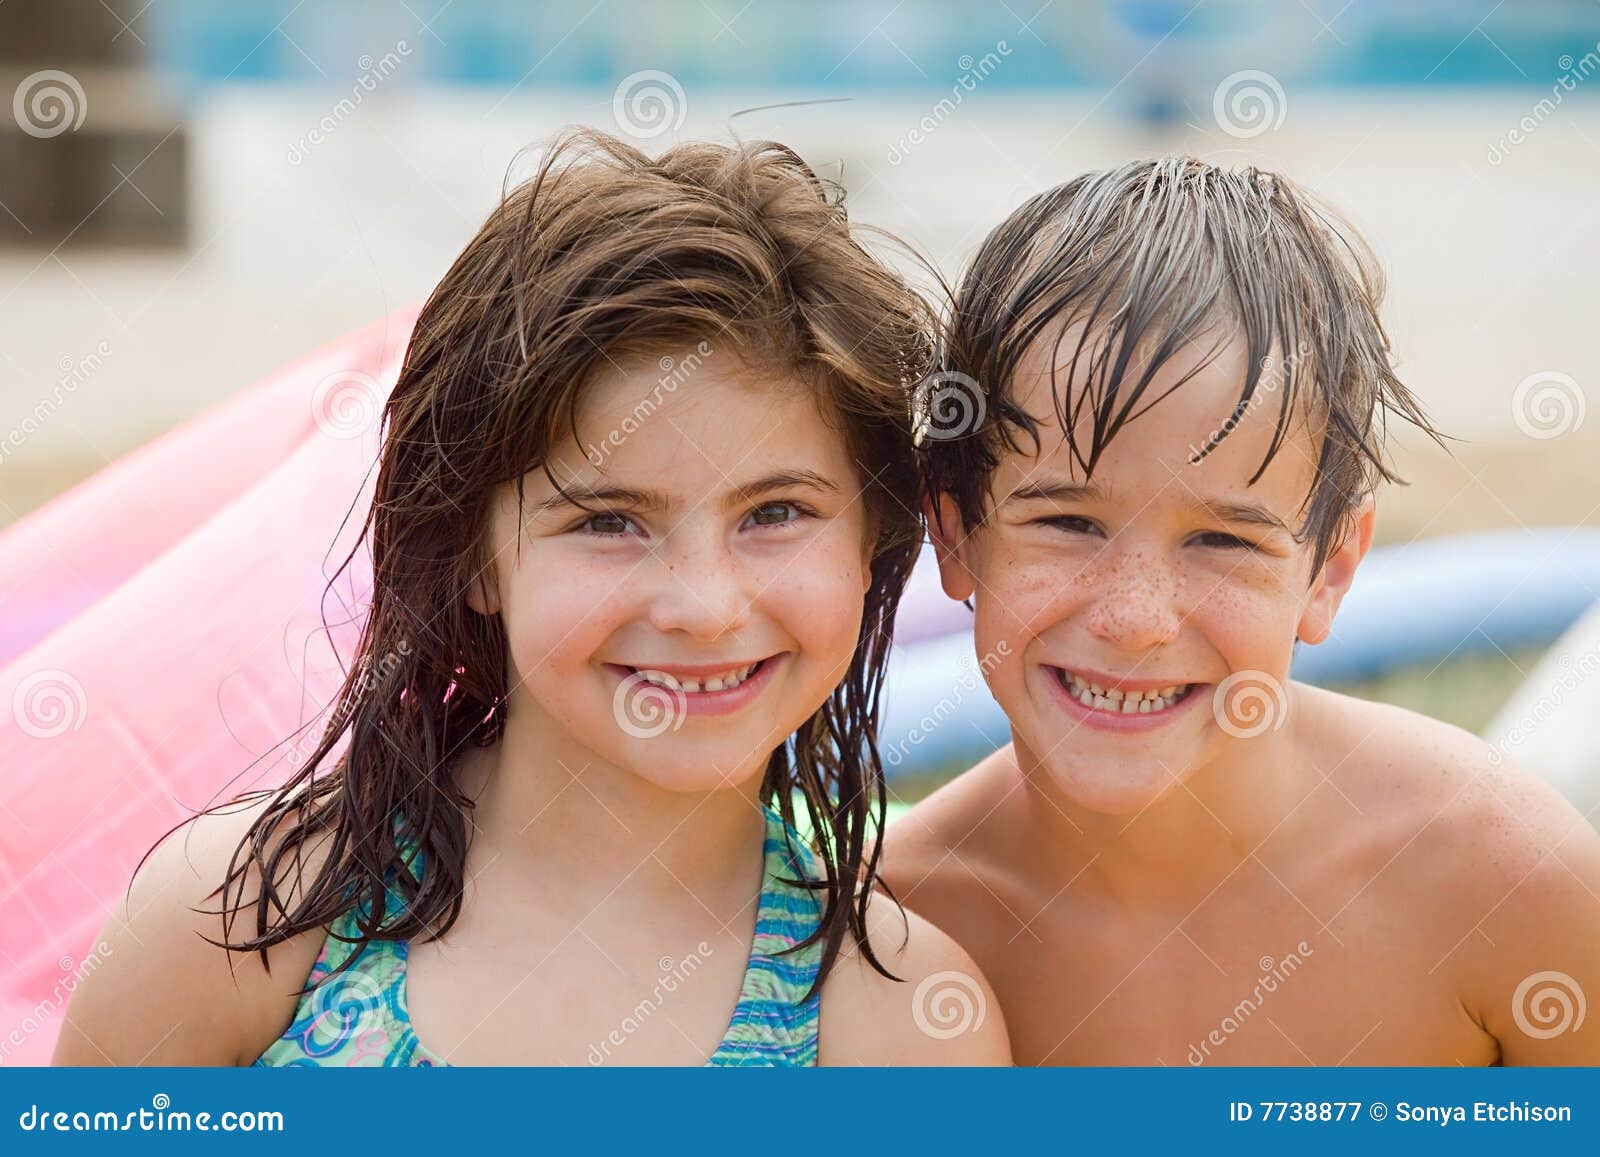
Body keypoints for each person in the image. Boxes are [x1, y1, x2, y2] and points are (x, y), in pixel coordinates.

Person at [55, 128, 1009, 1068]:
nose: (705, 605)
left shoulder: (901, 1027)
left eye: (776, 512)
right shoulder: (243, 922)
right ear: (473, 556)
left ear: (872, 542)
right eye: (609, 521)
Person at [883, 158, 1600, 1065]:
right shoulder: (903, 938)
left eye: (1222, 540)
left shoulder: (1499, 883)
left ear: (1329, 569)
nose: (1136, 617)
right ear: (953, 537)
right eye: (1068, 523)